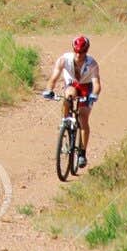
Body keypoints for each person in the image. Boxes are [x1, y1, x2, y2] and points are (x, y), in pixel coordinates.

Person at [41, 35, 101, 169]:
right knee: (68, 96)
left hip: (86, 87)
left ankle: (82, 153)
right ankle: (65, 122)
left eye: (82, 52)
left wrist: (94, 95)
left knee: (83, 117)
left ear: (87, 51)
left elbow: (96, 83)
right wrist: (49, 90)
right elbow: (54, 77)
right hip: (72, 84)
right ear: (73, 50)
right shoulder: (64, 60)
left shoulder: (92, 64)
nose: (79, 55)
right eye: (77, 52)